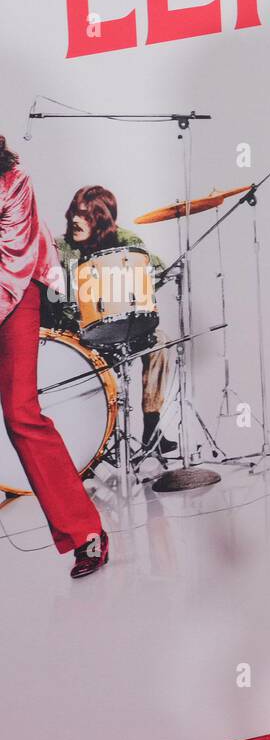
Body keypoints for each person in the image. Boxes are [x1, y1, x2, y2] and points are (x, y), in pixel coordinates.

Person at [0, 136, 109, 576]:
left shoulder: (14, 182)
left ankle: (85, 532)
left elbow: (13, 261)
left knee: (21, 414)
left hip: (15, 288)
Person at [43, 185, 176, 458]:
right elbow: (46, 297)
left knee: (160, 341)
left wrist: (139, 287)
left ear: (101, 218)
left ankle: (152, 426)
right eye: (73, 214)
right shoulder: (59, 247)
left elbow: (158, 270)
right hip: (77, 335)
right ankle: (93, 445)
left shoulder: (126, 241)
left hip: (123, 327)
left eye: (84, 216)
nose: (75, 221)